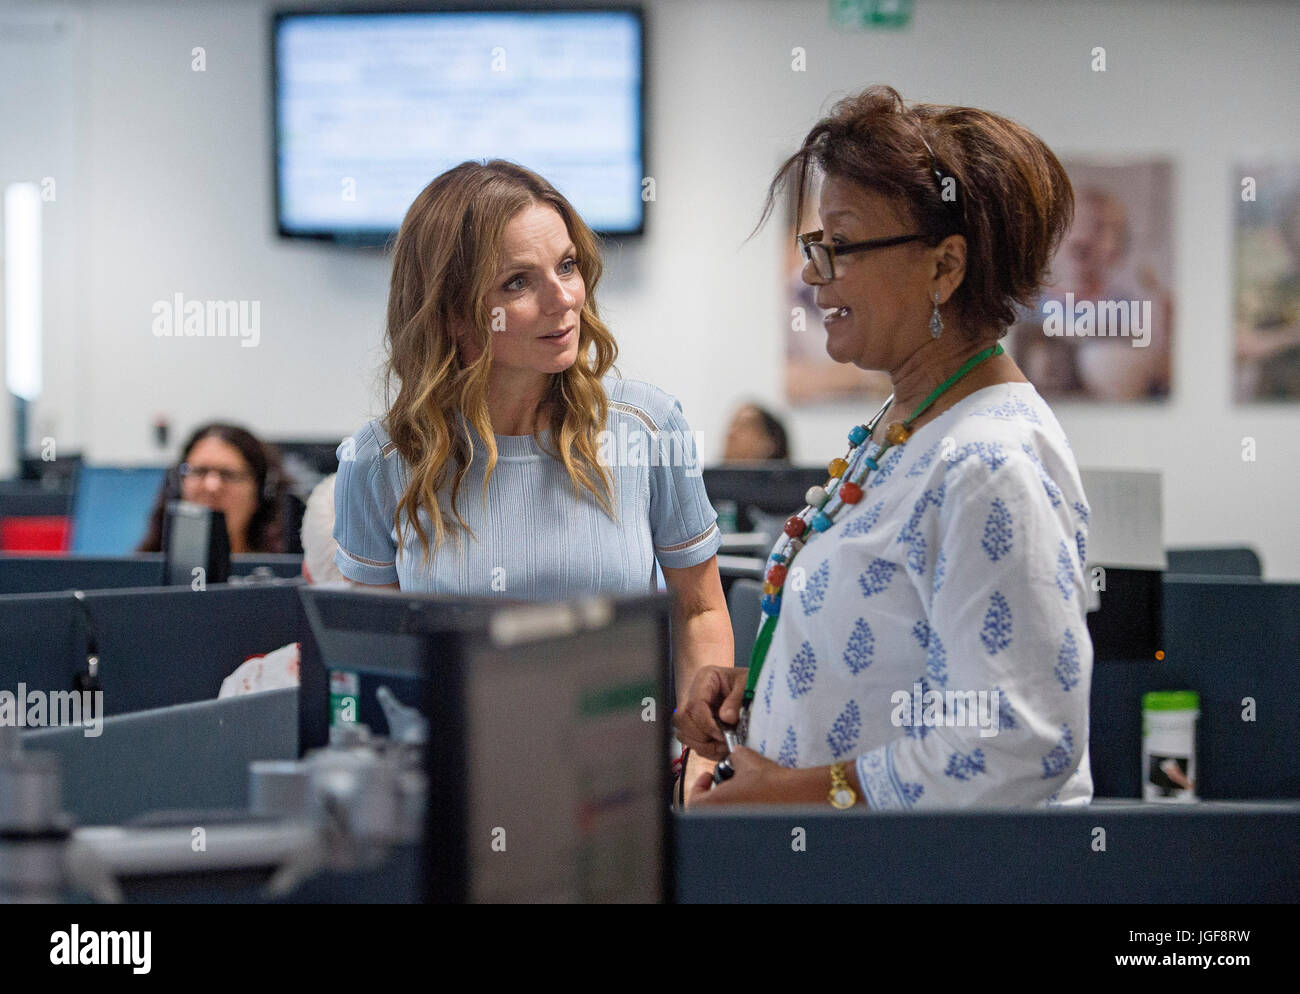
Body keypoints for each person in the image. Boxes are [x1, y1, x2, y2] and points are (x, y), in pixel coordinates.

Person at [678, 85, 1094, 809]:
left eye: (840, 246)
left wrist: (797, 792)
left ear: (944, 267)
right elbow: (902, 651)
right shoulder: (908, 424)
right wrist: (777, 686)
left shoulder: (988, 465)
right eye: (816, 246)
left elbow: (1015, 743)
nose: (814, 272)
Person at [332, 160, 732, 749]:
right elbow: (381, 670)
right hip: (461, 783)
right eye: (518, 282)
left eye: (567, 266)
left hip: (620, 782)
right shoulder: (380, 460)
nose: (564, 298)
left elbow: (700, 611)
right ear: (451, 312)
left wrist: (700, 759)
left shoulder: (647, 427)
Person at [138, 422, 290, 555]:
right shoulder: (142, 579)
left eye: (228, 474)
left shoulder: (287, 580)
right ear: (178, 486)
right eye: (200, 472)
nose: (212, 486)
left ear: (261, 492)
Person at [722, 403, 790, 462]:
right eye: (733, 425)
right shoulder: (713, 476)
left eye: (744, 426)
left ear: (769, 443)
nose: (731, 433)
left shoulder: (793, 476)